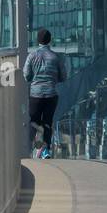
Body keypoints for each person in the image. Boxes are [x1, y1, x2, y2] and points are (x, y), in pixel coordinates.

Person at [22, 29, 67, 158]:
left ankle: (29, 148)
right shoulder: (55, 57)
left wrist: (35, 79)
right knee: (47, 122)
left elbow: (26, 76)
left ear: (38, 41)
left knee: (33, 121)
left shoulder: (32, 56)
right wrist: (53, 79)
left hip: (35, 95)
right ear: (50, 40)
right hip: (51, 95)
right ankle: (45, 150)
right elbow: (63, 77)